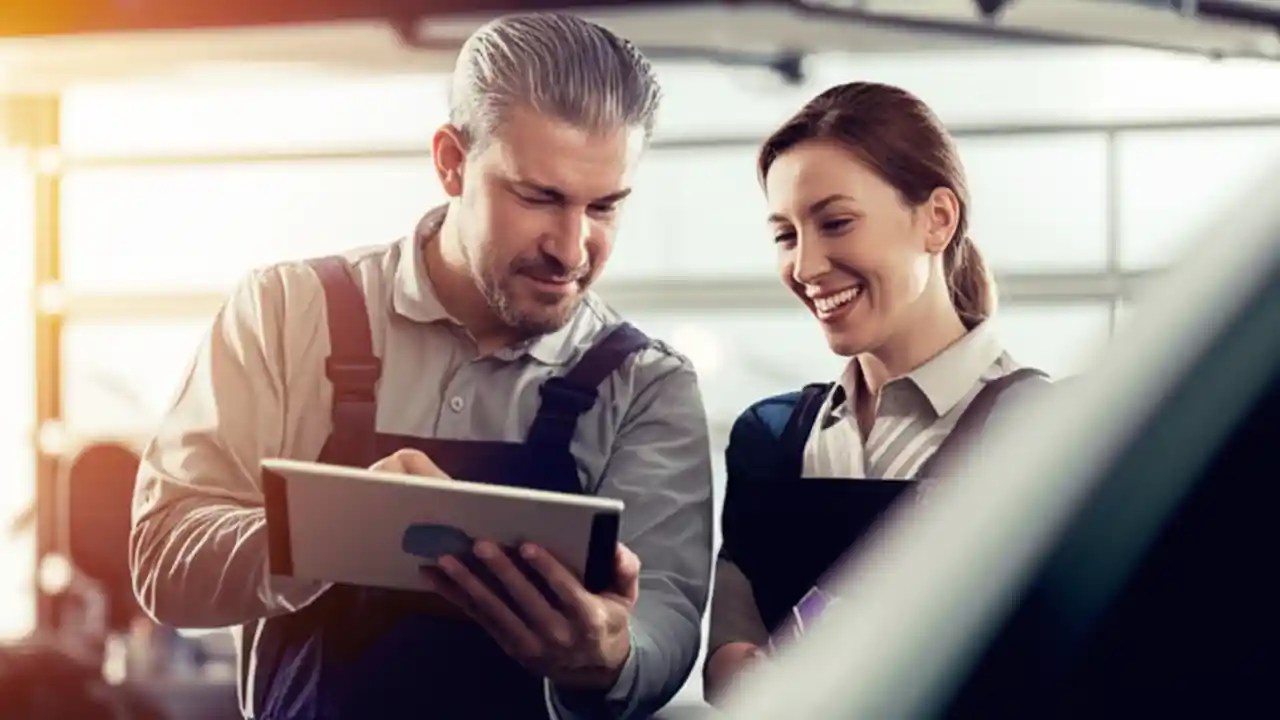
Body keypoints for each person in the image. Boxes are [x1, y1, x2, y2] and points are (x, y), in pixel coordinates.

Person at [128, 13, 713, 720]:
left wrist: (610, 657)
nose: (571, 247)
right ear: (451, 162)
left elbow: (668, 623)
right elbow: (164, 557)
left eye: (604, 207)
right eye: (538, 197)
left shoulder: (647, 385)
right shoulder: (285, 313)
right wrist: (331, 530)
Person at [703, 81, 1051, 701]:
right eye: (786, 235)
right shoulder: (770, 438)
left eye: (836, 223)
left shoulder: (1046, 430)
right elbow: (730, 654)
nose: (806, 267)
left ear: (937, 219)